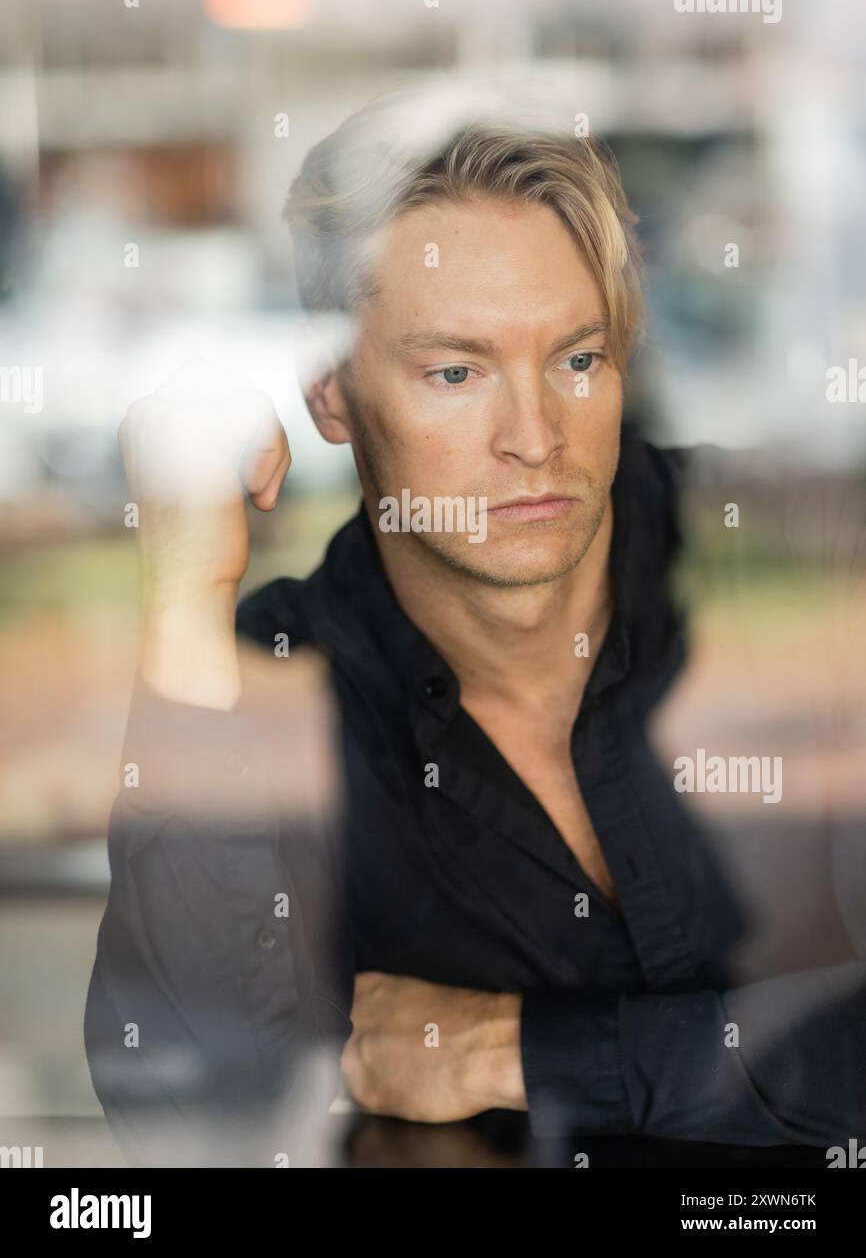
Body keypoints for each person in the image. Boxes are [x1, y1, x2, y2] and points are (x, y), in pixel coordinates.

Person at [85, 80, 866, 1167]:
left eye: (575, 359)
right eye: (456, 371)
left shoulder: (798, 566)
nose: (534, 436)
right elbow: (191, 1114)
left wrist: (519, 1051)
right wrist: (182, 588)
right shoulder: (281, 678)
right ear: (330, 394)